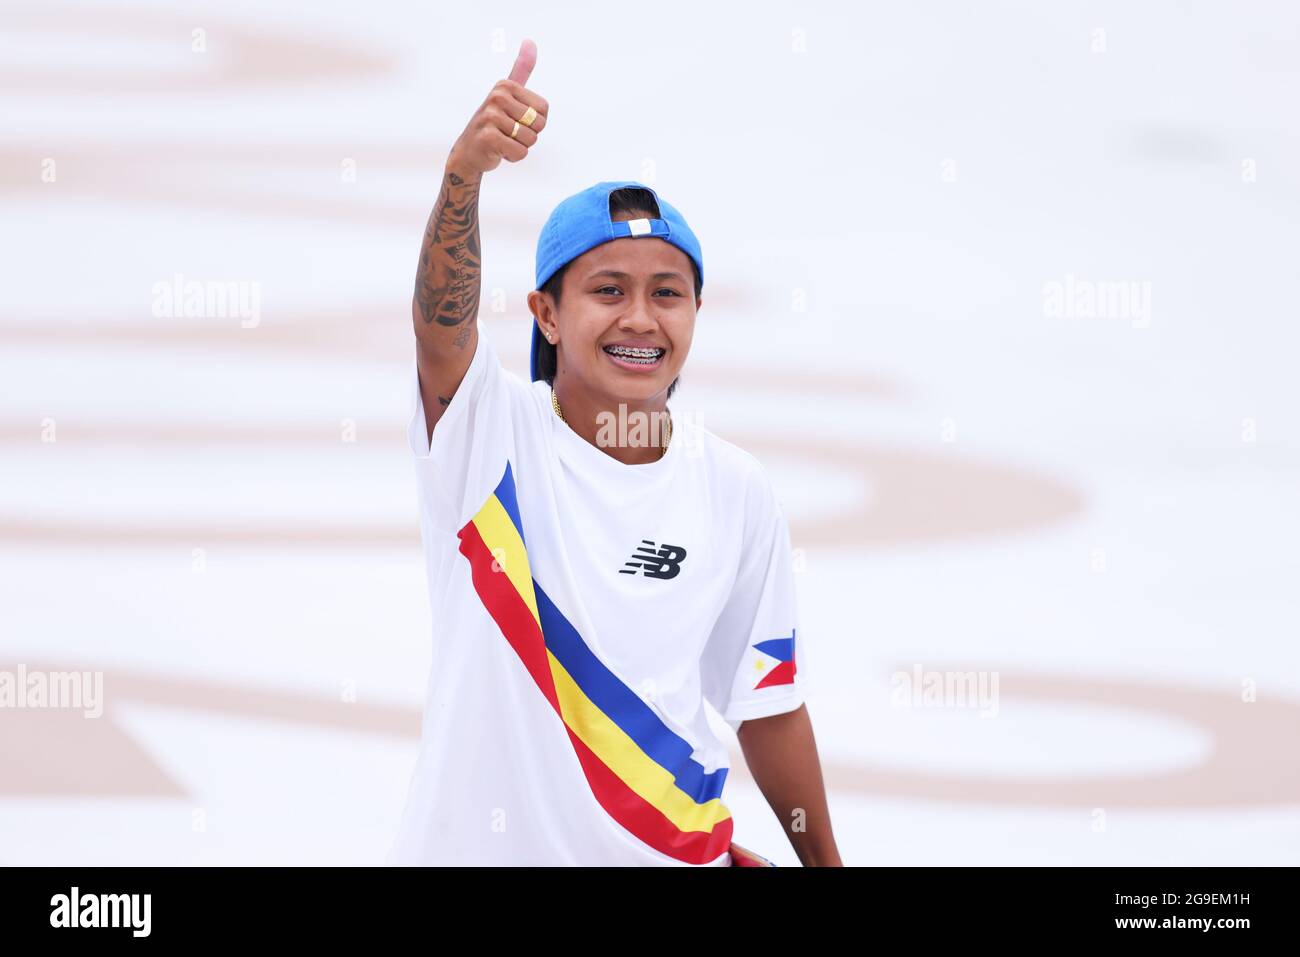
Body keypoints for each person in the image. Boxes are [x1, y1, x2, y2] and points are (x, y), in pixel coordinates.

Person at [388, 37, 841, 866]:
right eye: (608, 290)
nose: (641, 318)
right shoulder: (489, 437)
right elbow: (438, 328)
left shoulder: (735, 488)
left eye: (667, 293)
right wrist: (465, 177)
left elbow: (769, 706)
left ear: (696, 312)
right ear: (547, 315)